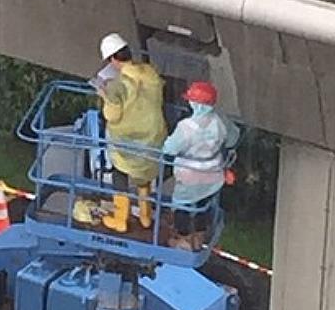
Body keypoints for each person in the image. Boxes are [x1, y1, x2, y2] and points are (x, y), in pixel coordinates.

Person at [94, 33, 166, 234]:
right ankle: (145, 217)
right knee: (144, 174)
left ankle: (120, 218)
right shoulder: (150, 72)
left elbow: (112, 116)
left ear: (112, 60)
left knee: (120, 172)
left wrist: (105, 95)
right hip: (154, 136)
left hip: (128, 139)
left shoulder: (118, 85)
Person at [160, 81, 240, 251]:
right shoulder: (221, 121)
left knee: (182, 206)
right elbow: (233, 138)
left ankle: (183, 240)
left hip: (189, 176)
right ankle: (198, 239)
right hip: (213, 175)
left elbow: (170, 149)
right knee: (202, 205)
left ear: (194, 103)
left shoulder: (185, 127)